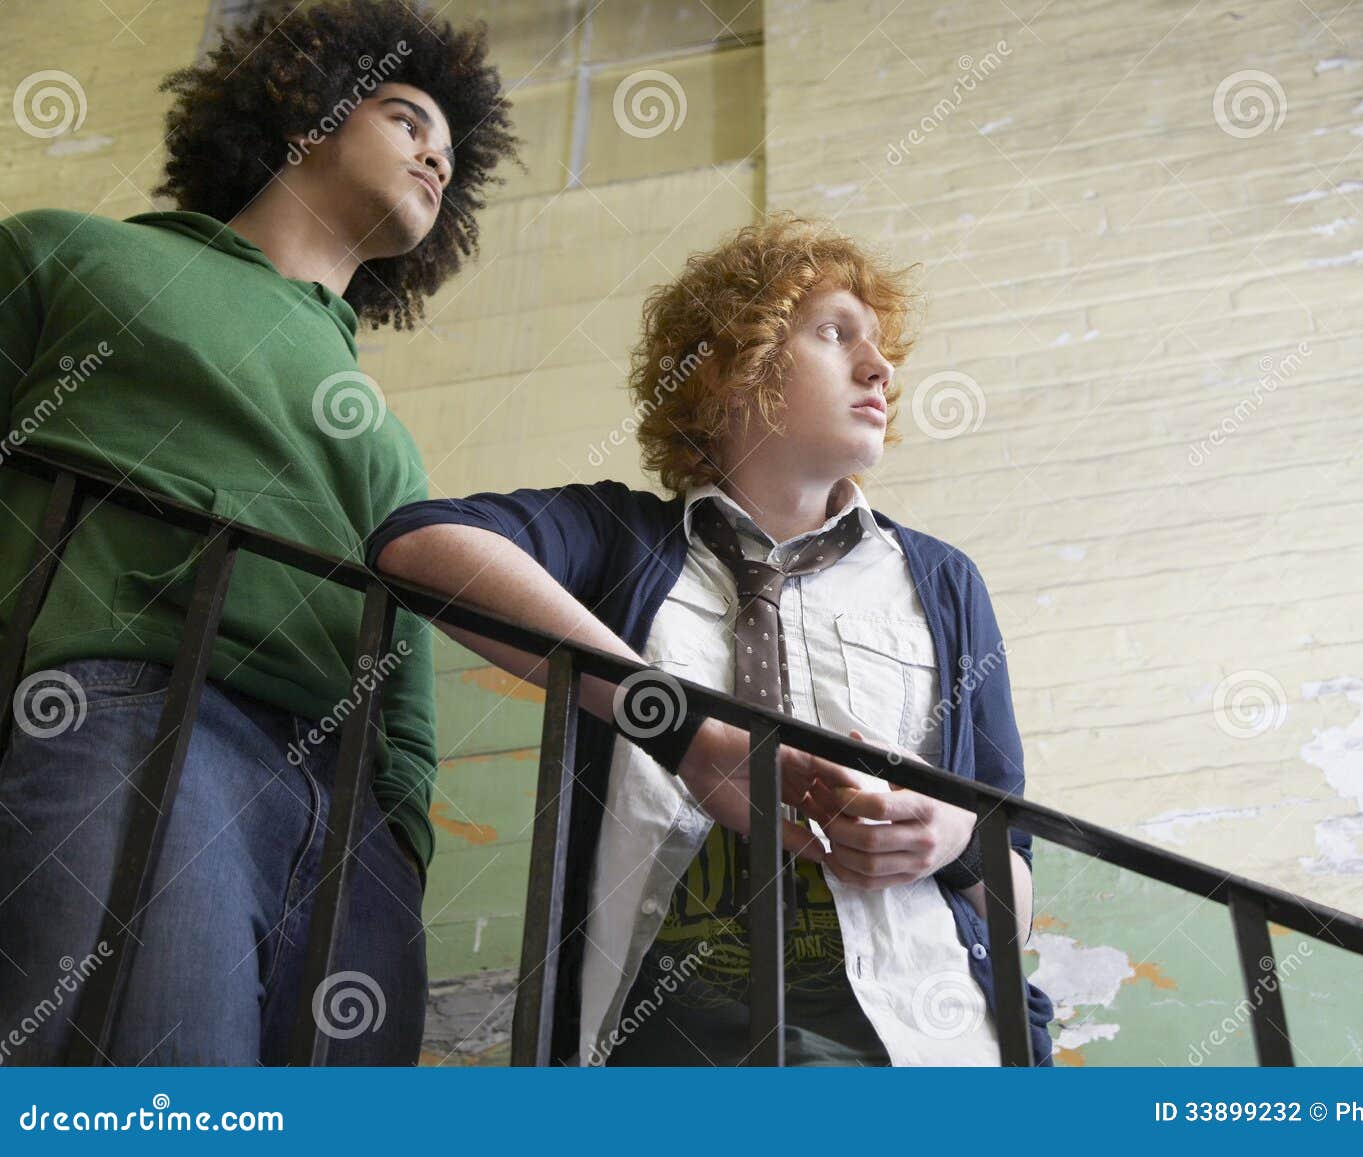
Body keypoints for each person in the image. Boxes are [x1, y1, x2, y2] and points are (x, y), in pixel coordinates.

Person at [369, 214, 1055, 1066]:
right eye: (835, 333)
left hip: (922, 1048)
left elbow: (1018, 906)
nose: (880, 367)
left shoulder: (944, 583)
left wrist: (953, 838)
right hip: (656, 1049)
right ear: (732, 366)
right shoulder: (620, 538)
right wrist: (681, 728)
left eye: (881, 346)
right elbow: (417, 545)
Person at [0, 0, 516, 1064]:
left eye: (451, 152)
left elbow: (408, 676)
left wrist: (397, 841)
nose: (436, 156)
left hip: (352, 821)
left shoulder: (386, 438)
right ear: (307, 115)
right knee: (148, 1108)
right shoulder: (69, 256)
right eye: (406, 117)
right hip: (131, 714)